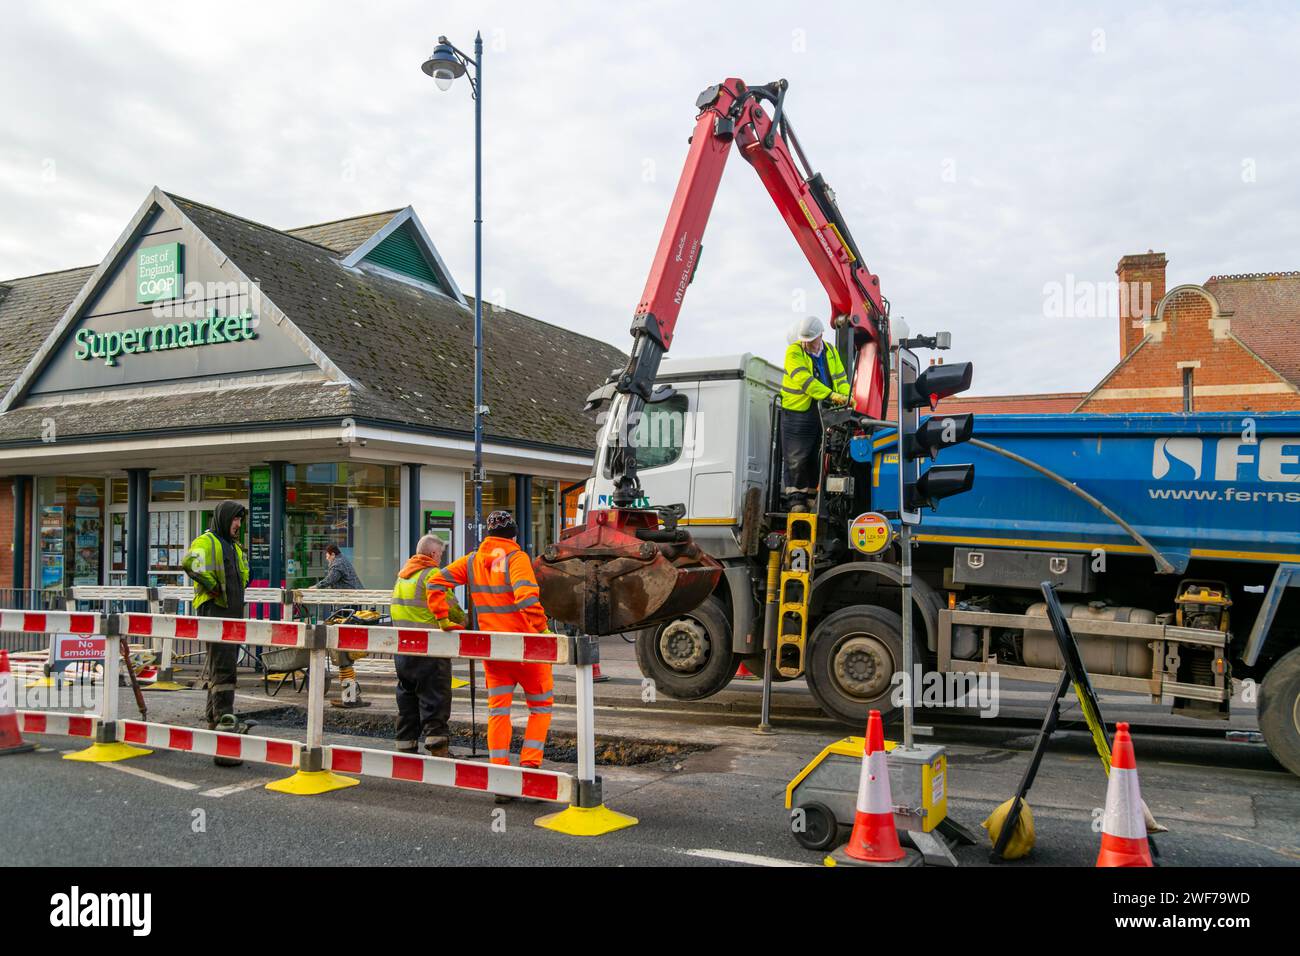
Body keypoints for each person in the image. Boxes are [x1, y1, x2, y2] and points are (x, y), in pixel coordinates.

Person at [426, 511, 551, 804]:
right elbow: (526, 597)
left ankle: (501, 779)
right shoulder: (516, 558)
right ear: (515, 535)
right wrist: (544, 632)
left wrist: (443, 619)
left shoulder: (472, 560)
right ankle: (530, 771)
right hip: (527, 649)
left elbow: (434, 582)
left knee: (498, 711)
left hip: (494, 651)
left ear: (488, 536)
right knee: (540, 708)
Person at [180, 500, 250, 766]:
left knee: (220, 671)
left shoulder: (233, 546)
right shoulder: (208, 541)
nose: (238, 525)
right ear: (224, 519)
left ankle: (215, 723)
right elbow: (189, 562)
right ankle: (225, 731)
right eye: (235, 520)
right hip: (216, 615)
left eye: (240, 521)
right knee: (224, 672)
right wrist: (211, 585)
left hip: (231, 617)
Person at [391, 534, 465, 758]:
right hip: (430, 647)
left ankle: (405, 744)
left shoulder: (403, 575)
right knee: (435, 696)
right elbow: (450, 606)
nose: (441, 558)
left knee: (408, 697)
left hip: (403, 649)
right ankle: (437, 745)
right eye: (440, 554)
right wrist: (464, 621)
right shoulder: (432, 573)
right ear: (433, 553)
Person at [781, 315, 851, 511]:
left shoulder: (830, 351)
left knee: (817, 454)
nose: (809, 344)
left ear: (821, 335)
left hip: (822, 410)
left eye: (811, 340)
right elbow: (806, 382)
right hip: (797, 411)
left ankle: (811, 497)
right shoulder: (793, 352)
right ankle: (796, 500)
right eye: (806, 341)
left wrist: (847, 397)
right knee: (797, 456)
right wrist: (833, 395)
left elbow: (840, 378)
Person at [309, 543, 367, 707]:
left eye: (327, 556)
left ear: (332, 554)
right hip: (350, 602)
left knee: (344, 643)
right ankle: (350, 690)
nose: (326, 559)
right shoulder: (342, 561)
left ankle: (350, 691)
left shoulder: (338, 563)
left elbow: (330, 580)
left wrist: (315, 587)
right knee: (344, 643)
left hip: (349, 604)